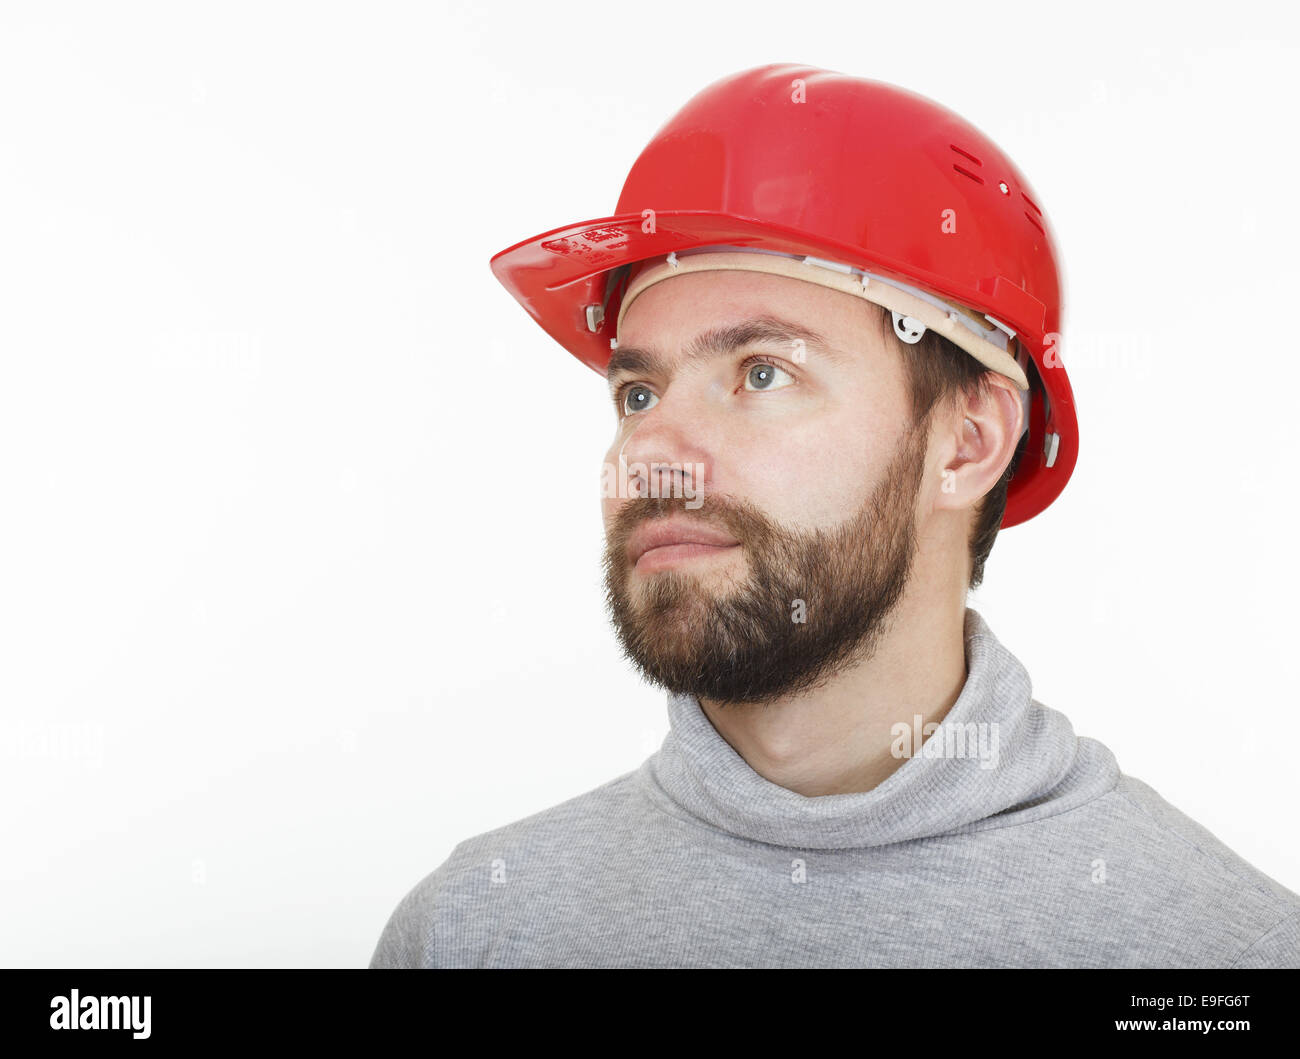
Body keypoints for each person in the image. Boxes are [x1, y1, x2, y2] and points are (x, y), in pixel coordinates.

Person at [369, 63, 1300, 968]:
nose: (651, 457)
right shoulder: (475, 934)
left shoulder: (1217, 958)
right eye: (640, 393)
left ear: (969, 442)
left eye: (762, 372)